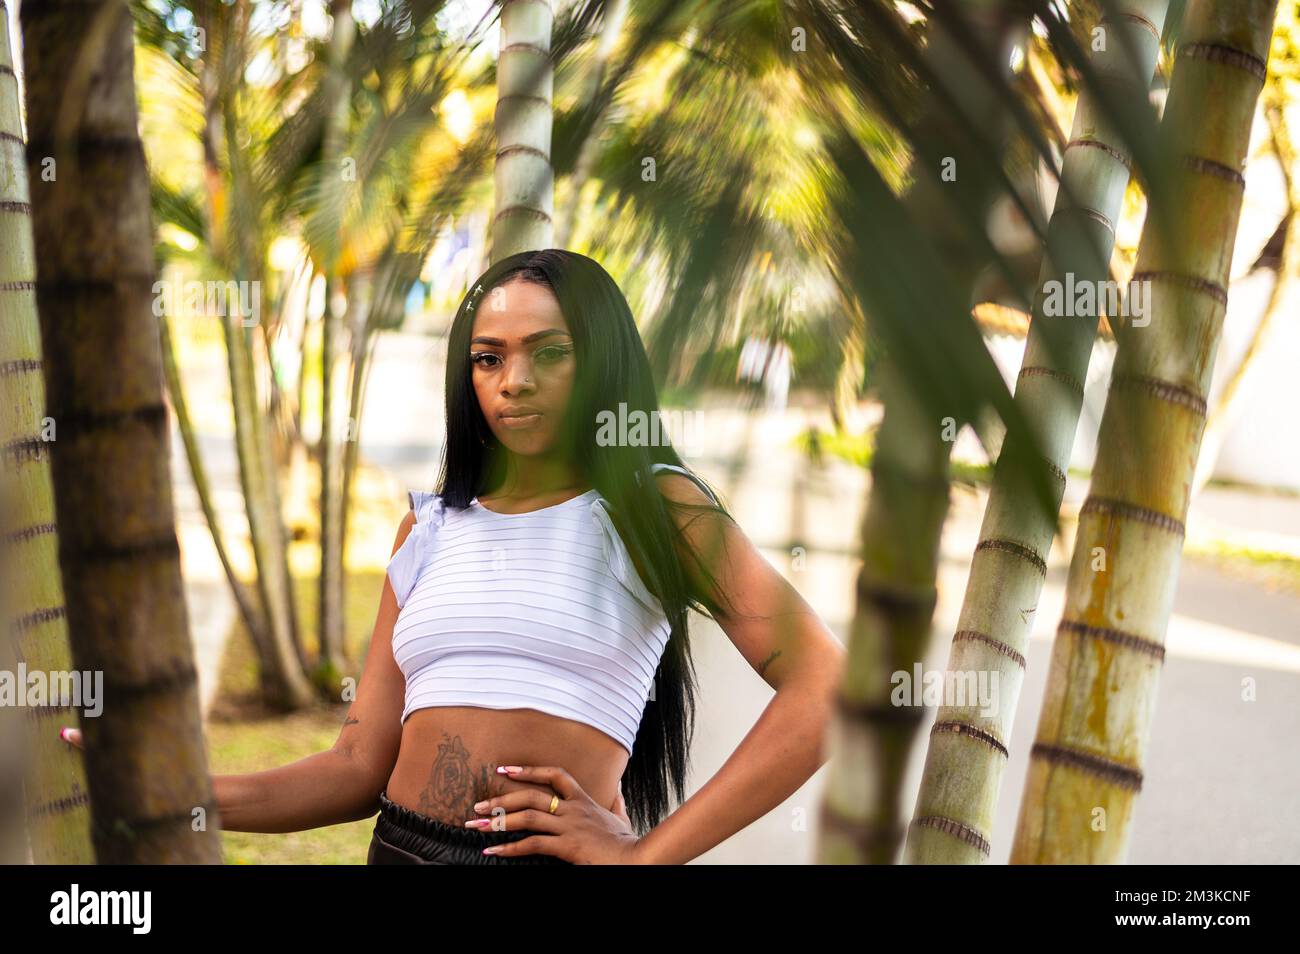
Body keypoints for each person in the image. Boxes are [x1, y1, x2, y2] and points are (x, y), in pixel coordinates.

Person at [62, 249, 845, 865]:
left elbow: (826, 685)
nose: (515, 382)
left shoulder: (657, 508)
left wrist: (645, 856)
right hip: (399, 853)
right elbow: (355, 768)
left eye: (550, 352)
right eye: (489, 358)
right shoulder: (428, 530)